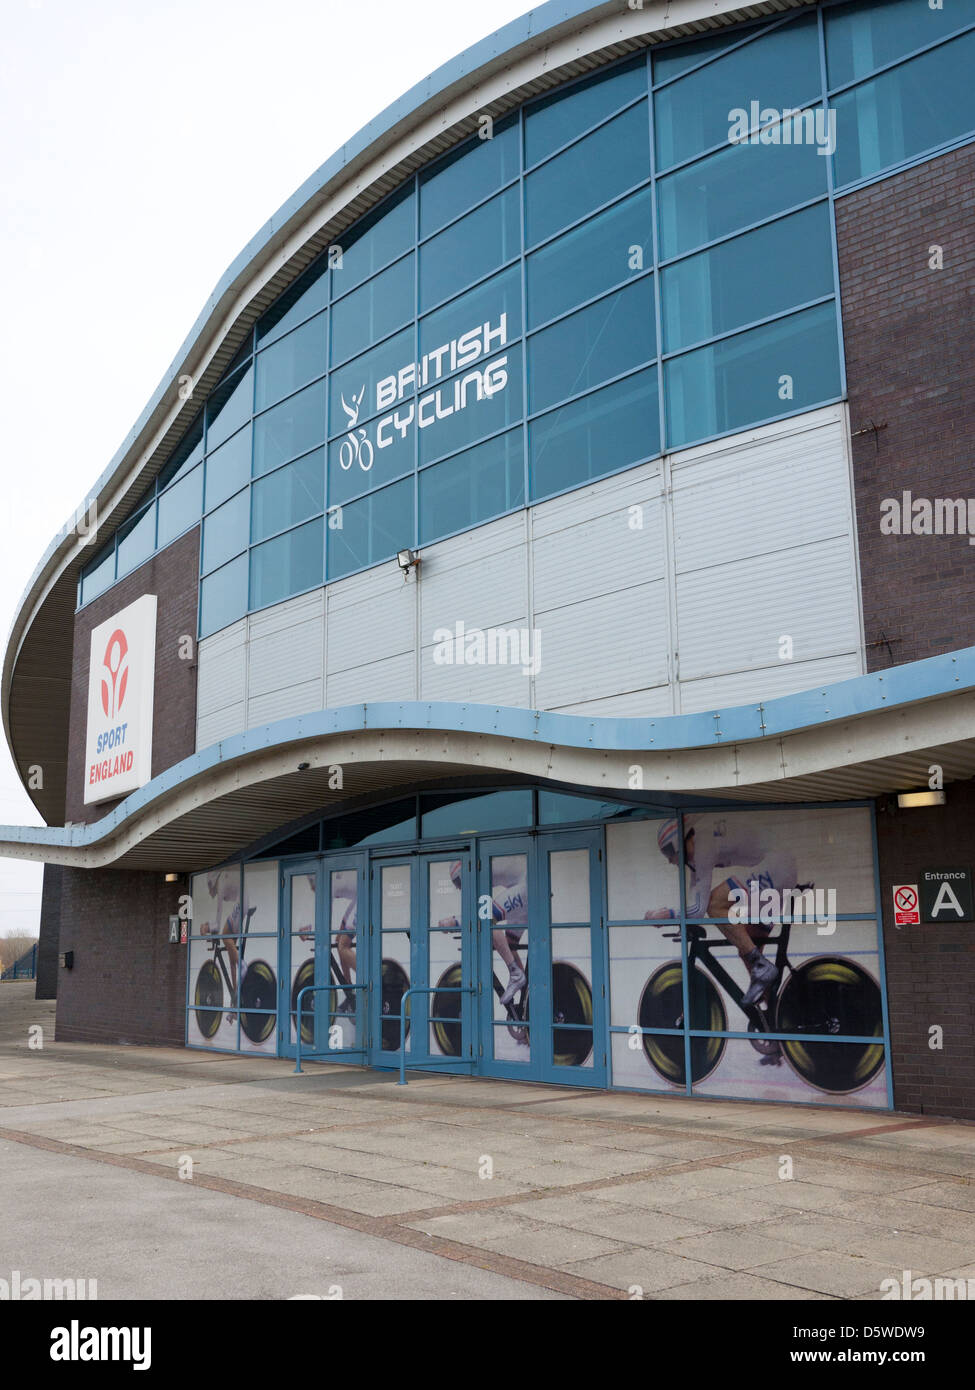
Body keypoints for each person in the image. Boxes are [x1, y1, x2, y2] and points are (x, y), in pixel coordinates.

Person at [648, 816, 797, 1007]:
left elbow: (701, 908)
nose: (669, 860)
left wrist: (668, 914)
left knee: (715, 904)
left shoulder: (704, 845)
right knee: (746, 945)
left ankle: (761, 966)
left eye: (668, 852)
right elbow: (694, 903)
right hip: (780, 867)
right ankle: (773, 1019)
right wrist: (681, 918)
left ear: (679, 841)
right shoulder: (697, 852)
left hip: (778, 864)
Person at [437, 858, 527, 1008]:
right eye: (456, 885)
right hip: (522, 886)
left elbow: (482, 915)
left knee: (488, 920)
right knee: (510, 945)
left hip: (526, 887)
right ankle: (527, 995)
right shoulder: (481, 867)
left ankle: (515, 973)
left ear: (465, 873)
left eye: (459, 882)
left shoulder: (479, 871)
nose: (460, 888)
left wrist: (454, 921)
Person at [200, 870, 243, 1024]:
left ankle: (243, 965)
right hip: (244, 902)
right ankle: (235, 1004)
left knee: (225, 934)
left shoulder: (221, 885)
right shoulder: (223, 881)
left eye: (210, 888)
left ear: (212, 883)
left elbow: (217, 925)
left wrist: (206, 927)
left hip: (243, 902)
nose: (211, 892)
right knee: (232, 961)